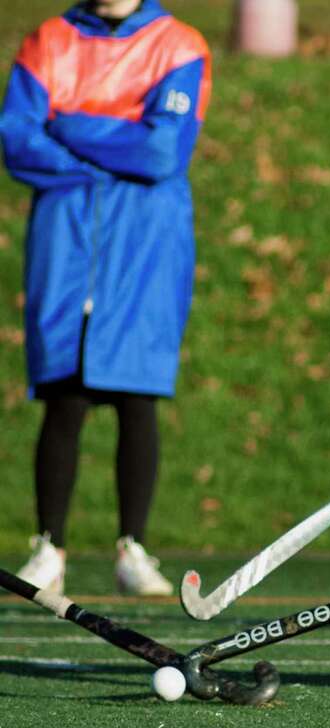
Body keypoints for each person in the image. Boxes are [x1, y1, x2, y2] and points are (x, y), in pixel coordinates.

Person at [1, 0, 211, 596]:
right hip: (65, 235)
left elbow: (163, 152)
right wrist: (118, 140)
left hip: (146, 240)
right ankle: (49, 547)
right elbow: (17, 140)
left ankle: (133, 549)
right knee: (62, 396)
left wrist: (68, 122)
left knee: (136, 393)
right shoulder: (48, 39)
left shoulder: (179, 44)